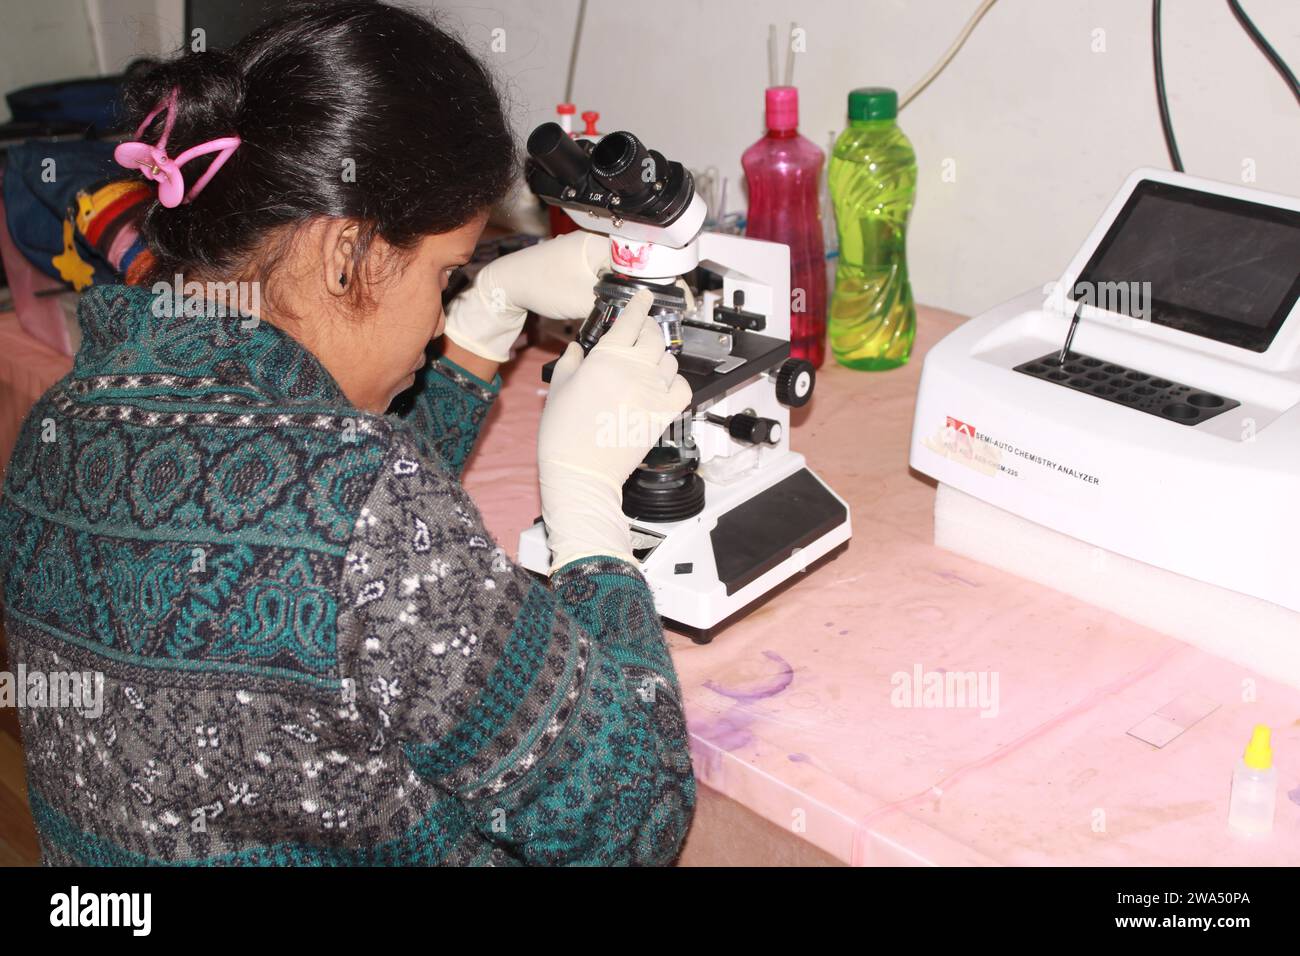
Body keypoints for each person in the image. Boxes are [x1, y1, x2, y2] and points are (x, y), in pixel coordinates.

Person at [0, 1, 695, 866]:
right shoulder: (371, 512)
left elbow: (329, 532)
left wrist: (486, 317)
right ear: (347, 253)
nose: (437, 313)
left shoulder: (61, 422)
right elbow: (635, 818)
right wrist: (588, 512)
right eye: (445, 275)